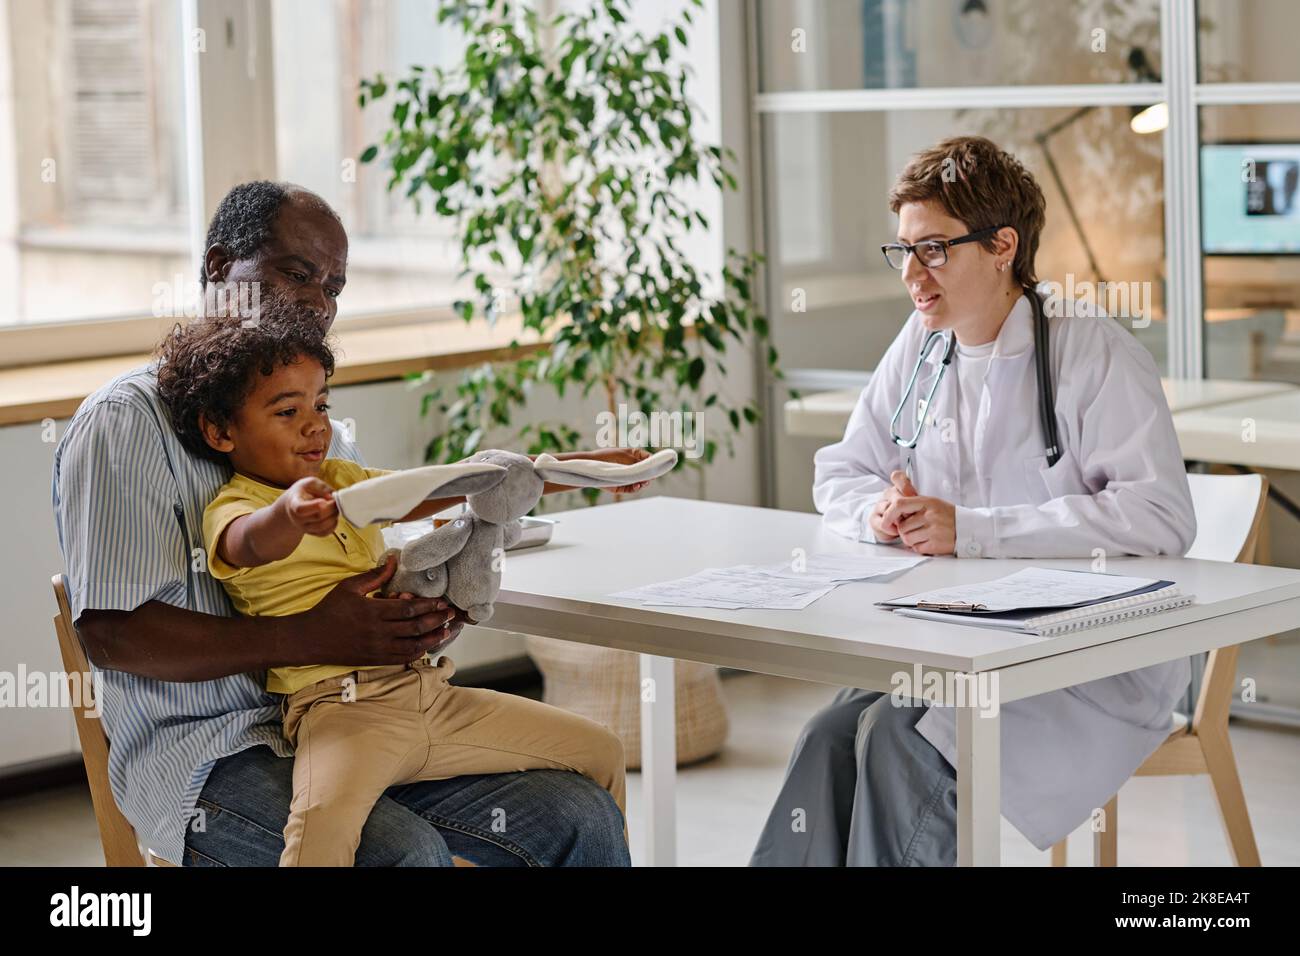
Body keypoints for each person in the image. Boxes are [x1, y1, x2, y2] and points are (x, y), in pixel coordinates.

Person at [52, 181, 639, 866]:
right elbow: (114, 634)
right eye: (297, 275)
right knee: (400, 854)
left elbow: (386, 535)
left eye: (332, 287)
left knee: (581, 815)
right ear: (219, 268)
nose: (318, 304)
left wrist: (415, 611)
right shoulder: (126, 422)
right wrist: (303, 636)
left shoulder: (317, 433)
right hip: (210, 753)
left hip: (367, 715)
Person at [751, 136, 1196, 866]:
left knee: (898, 739)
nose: (912, 278)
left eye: (933, 250)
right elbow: (843, 469)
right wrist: (878, 511)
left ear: (1002, 247)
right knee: (828, 737)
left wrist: (976, 530)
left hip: (1089, 660)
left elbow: (1161, 518)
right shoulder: (924, 345)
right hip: (966, 643)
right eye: (902, 252)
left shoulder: (1093, 353)